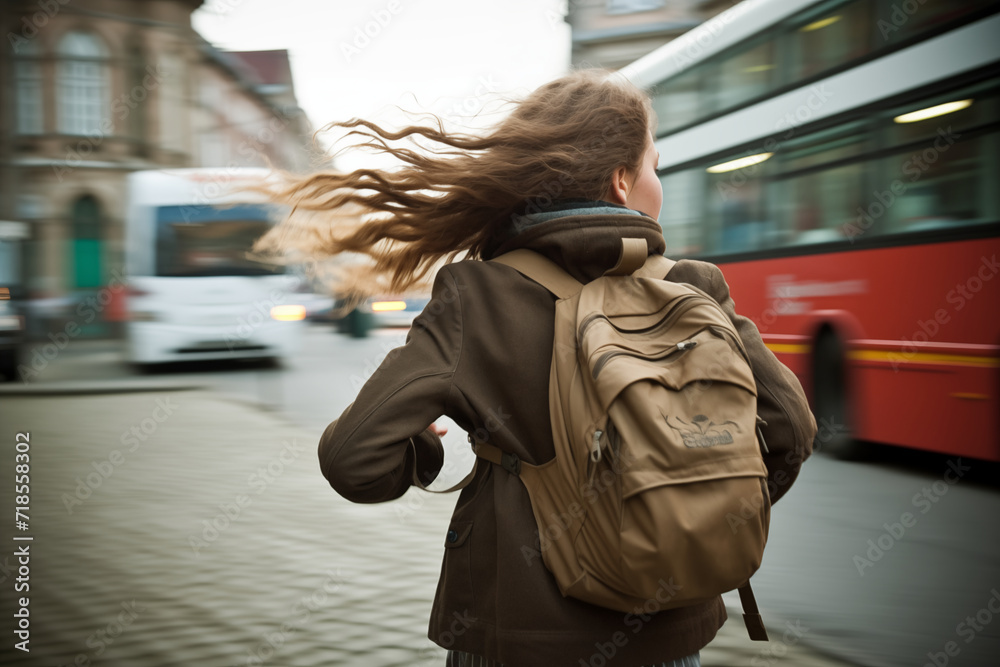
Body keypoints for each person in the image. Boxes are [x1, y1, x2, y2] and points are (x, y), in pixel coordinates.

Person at [255, 69, 817, 666]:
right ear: (622, 182)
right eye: (655, 164)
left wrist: (424, 452)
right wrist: (682, 515)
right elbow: (791, 429)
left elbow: (350, 459)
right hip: (664, 639)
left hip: (514, 637)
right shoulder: (693, 287)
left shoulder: (478, 297)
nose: (660, 181)